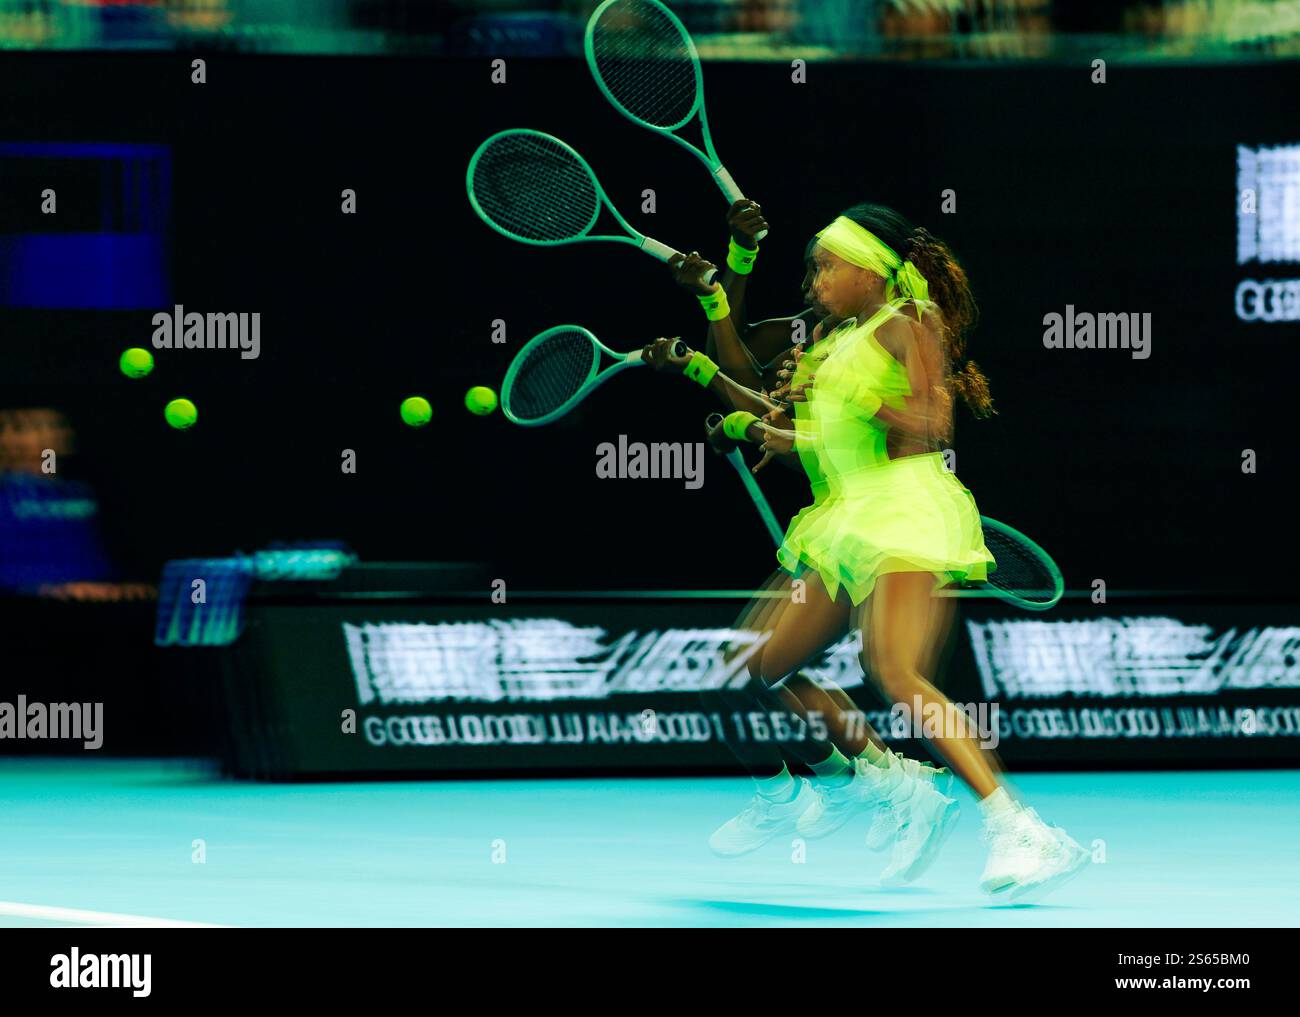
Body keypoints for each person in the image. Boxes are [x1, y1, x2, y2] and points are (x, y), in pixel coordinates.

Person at [646, 203, 1090, 902]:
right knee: (753, 665)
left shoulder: (906, 325)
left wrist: (849, 420)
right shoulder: (830, 341)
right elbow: (789, 413)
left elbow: (929, 421)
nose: (816, 278)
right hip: (845, 519)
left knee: (894, 669)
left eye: (828, 265)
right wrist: (763, 422)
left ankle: (1021, 827)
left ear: (870, 271)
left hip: (905, 511)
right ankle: (890, 782)